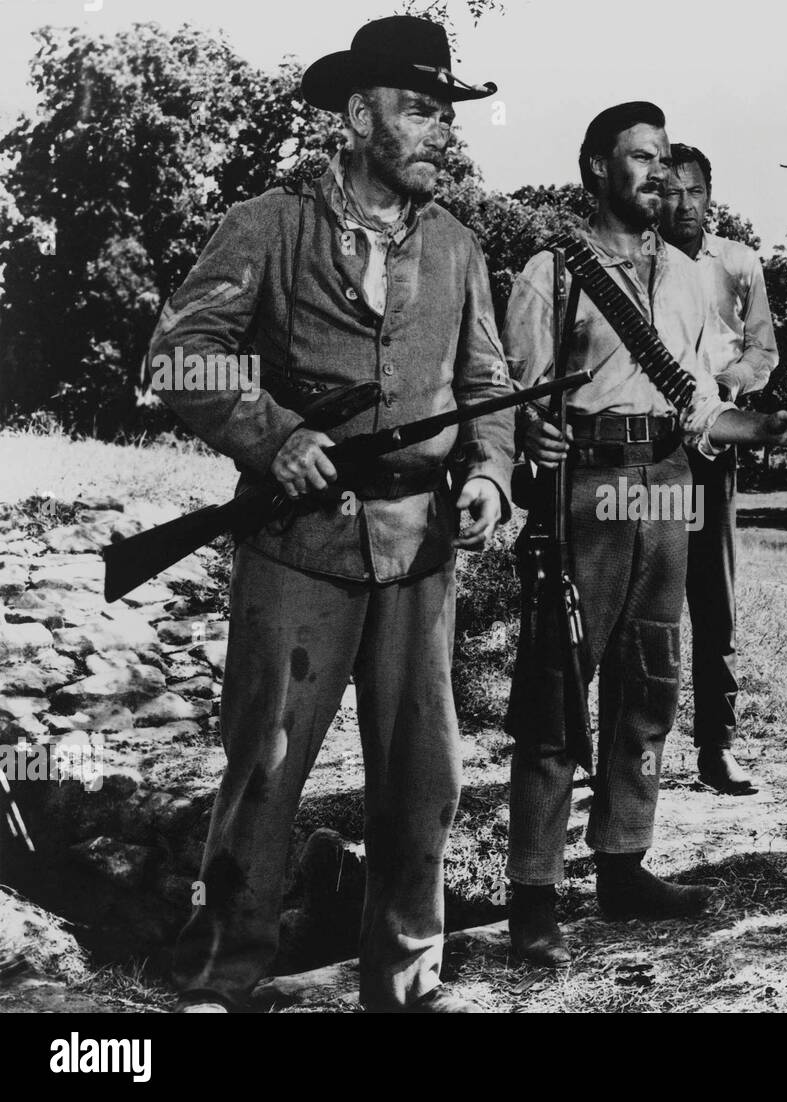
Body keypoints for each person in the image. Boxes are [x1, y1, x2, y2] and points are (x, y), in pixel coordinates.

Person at [153, 16, 514, 1012]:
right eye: (416, 106)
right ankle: (224, 968)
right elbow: (179, 352)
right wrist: (273, 434)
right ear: (356, 115)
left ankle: (408, 973)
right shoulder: (268, 224)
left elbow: (486, 381)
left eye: (445, 110)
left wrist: (487, 479)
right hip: (298, 544)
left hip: (420, 548)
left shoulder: (459, 247)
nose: (438, 127)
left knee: (421, 778)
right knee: (265, 767)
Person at [503, 102, 787, 967]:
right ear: (597, 167)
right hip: (588, 488)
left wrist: (768, 431)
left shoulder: (689, 276)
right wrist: (532, 438)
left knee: (649, 682)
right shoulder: (550, 271)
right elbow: (514, 398)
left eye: (666, 156)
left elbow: (702, 401)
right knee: (559, 690)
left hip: (670, 484)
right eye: (639, 157)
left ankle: (623, 865)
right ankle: (534, 892)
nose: (659, 172)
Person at [659, 143, 778, 796]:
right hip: (649, 454)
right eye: (670, 190)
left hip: (714, 451)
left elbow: (763, 349)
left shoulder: (738, 263)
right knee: (640, 607)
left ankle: (718, 748)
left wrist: (725, 385)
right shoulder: (636, 263)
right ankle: (625, 754)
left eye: (694, 190)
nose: (683, 204)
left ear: (712, 193)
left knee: (715, 603)